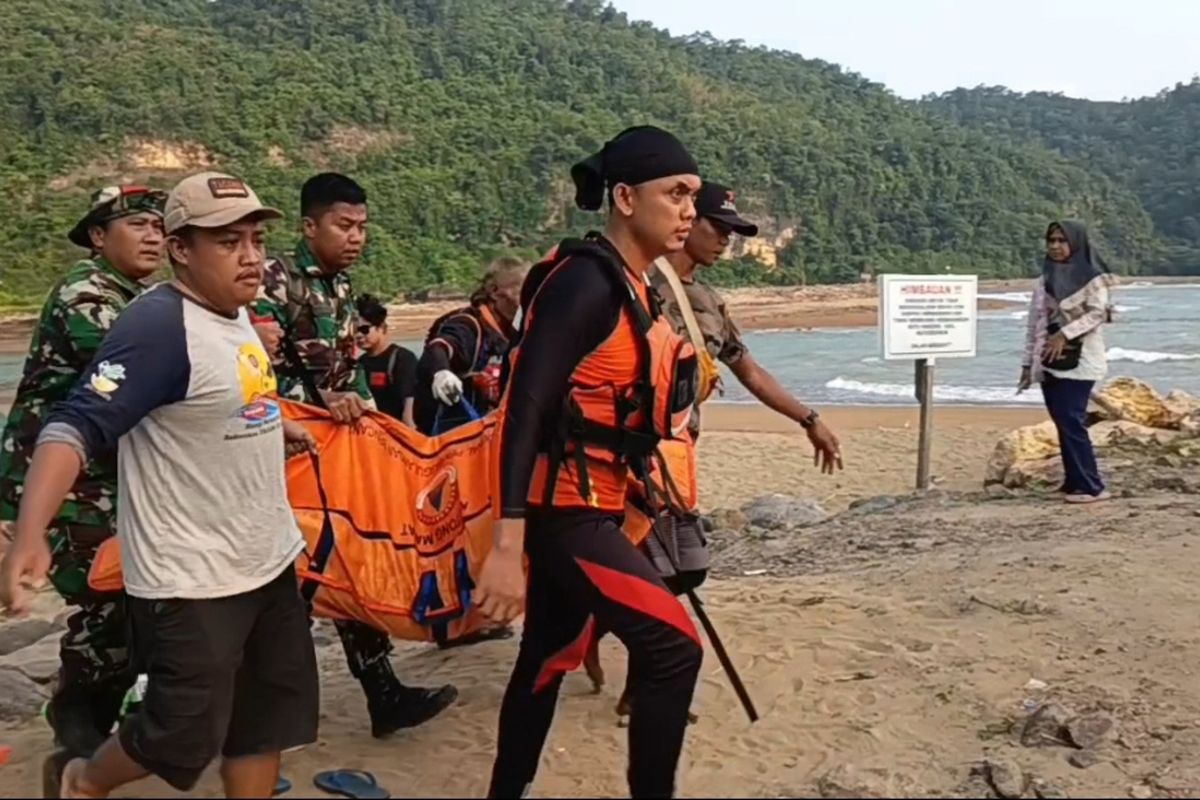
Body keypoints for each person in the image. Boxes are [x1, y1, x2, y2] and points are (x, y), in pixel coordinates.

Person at [0, 172, 320, 798]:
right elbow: (72, 428)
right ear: (182, 249)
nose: (252, 256)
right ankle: (82, 781)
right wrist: (31, 534)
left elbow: (219, 397)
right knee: (180, 734)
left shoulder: (234, 316)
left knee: (262, 725)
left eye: (256, 239)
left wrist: (275, 428)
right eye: (229, 242)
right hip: (193, 576)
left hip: (266, 559)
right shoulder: (156, 327)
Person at [474, 125, 707, 799]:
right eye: (676, 193)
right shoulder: (585, 283)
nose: (689, 208)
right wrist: (505, 541)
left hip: (592, 503)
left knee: (546, 660)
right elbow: (527, 410)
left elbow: (591, 411)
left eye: (693, 194)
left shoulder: (630, 285)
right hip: (563, 516)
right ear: (627, 198)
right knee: (673, 649)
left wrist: (635, 473)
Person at [584, 180, 846, 720]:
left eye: (732, 230)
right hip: (625, 458)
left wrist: (809, 418)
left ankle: (601, 629)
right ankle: (638, 687)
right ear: (684, 220)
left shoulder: (706, 301)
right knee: (660, 570)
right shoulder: (630, 283)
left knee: (683, 570)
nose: (726, 239)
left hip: (678, 458)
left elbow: (746, 368)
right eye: (717, 227)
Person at [251, 172, 457, 737]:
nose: (356, 236)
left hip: (333, 457)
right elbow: (247, 376)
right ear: (308, 225)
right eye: (344, 225)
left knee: (350, 564)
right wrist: (319, 405)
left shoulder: (340, 288)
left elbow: (348, 373)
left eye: (363, 226)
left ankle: (382, 693)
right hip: (281, 458)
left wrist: (380, 433)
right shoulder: (272, 281)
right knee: (300, 578)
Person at [0, 185, 166, 760]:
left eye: (160, 227)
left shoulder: (138, 298)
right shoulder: (85, 294)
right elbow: (140, 358)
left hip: (106, 477)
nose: (154, 236)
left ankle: (99, 713)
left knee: (134, 594)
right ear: (99, 237)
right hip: (63, 480)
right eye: (139, 224)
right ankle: (77, 715)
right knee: (108, 594)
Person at [1018, 220, 1115, 504]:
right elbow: (1035, 322)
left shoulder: (1093, 279)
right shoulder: (1045, 278)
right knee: (1062, 420)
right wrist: (1027, 364)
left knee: (1072, 420)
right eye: (1052, 240)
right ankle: (1074, 481)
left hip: (1082, 360)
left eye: (1062, 240)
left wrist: (1064, 333)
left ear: (1075, 243)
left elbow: (1098, 313)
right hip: (1048, 361)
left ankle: (1092, 486)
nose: (1056, 246)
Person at [414, 256, 530, 435]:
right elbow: (439, 347)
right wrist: (441, 373)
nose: (527, 298)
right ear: (494, 291)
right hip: (451, 440)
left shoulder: (510, 335)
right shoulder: (467, 326)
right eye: (521, 290)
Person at [355, 294, 418, 427]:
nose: (358, 335)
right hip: (371, 433)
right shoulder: (359, 363)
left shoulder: (403, 359)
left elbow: (409, 404)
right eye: (354, 331)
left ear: (382, 328)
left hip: (396, 433)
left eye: (364, 330)